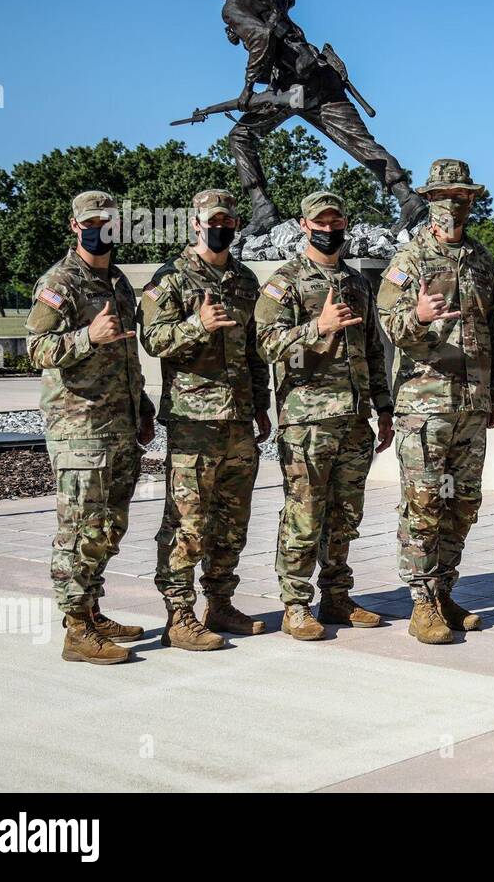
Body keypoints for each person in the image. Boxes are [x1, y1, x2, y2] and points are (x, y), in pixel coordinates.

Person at [200, 0, 425, 236]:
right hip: (320, 77)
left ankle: (264, 210)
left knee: (240, 136)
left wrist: (247, 88)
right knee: (359, 142)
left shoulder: (232, 7)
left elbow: (261, 38)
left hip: (292, 90)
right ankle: (407, 196)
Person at [377, 160, 494, 644]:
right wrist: (416, 315)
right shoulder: (407, 261)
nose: (455, 204)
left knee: (461, 503)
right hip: (424, 406)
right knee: (425, 501)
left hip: (471, 408)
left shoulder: (481, 260)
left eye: (463, 195)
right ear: (430, 201)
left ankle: (444, 589)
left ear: (472, 201)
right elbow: (389, 326)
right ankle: (421, 602)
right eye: (445, 196)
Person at [254, 191, 394, 641]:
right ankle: (296, 603)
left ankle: (336, 595)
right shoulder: (285, 282)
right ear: (303, 225)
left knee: (345, 513)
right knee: (305, 512)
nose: (329, 229)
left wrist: (384, 407)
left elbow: (374, 349)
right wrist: (320, 327)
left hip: (355, 419)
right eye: (320, 222)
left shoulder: (356, 284)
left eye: (336, 221)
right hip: (307, 420)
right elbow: (267, 344)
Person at [26, 191, 155, 664]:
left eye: (108, 222)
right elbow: (37, 348)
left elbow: (125, 354)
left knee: (108, 525)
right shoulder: (61, 282)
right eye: (91, 221)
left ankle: (92, 609)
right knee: (80, 527)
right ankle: (76, 629)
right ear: (74, 226)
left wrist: (141, 405)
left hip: (118, 423)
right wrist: (86, 336)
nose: (100, 228)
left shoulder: (118, 281)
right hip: (79, 427)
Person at [139, 189, 272, 650]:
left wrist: (260, 404)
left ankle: (220, 602)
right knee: (187, 522)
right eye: (212, 219)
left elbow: (255, 349)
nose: (221, 226)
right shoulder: (171, 279)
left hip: (238, 420)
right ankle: (179, 614)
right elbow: (154, 339)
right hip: (194, 423)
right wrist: (198, 325)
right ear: (195, 224)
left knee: (231, 521)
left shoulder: (244, 280)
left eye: (228, 219)